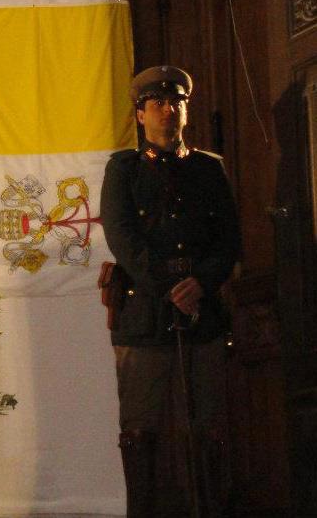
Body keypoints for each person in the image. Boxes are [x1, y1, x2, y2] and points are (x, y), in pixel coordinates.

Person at [100, 65, 240, 517]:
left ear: (186, 109)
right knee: (142, 435)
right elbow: (122, 238)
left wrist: (200, 284)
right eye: (157, 103)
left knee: (208, 433)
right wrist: (169, 288)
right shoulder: (123, 170)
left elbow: (229, 241)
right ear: (140, 115)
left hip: (203, 317)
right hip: (145, 319)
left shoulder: (208, 169)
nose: (168, 111)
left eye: (176, 102)